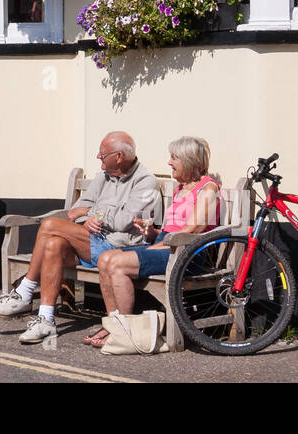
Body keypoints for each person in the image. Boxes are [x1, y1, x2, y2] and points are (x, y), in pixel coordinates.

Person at [0, 131, 162, 344]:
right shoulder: (102, 177)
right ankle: (45, 319)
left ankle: (25, 291)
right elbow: (74, 211)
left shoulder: (145, 182)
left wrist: (92, 213)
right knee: (54, 244)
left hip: (116, 249)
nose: (98, 157)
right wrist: (87, 217)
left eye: (102, 154)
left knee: (50, 225)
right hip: (90, 241)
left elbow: (124, 221)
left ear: (119, 157)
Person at [85, 136, 220, 348]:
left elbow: (191, 230)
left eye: (174, 158)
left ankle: (126, 332)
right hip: (169, 245)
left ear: (190, 160)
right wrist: (151, 233)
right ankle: (115, 324)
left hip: (187, 253)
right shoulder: (182, 187)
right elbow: (171, 229)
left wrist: (157, 244)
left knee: (117, 264)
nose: (169, 162)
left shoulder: (208, 189)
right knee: (105, 259)